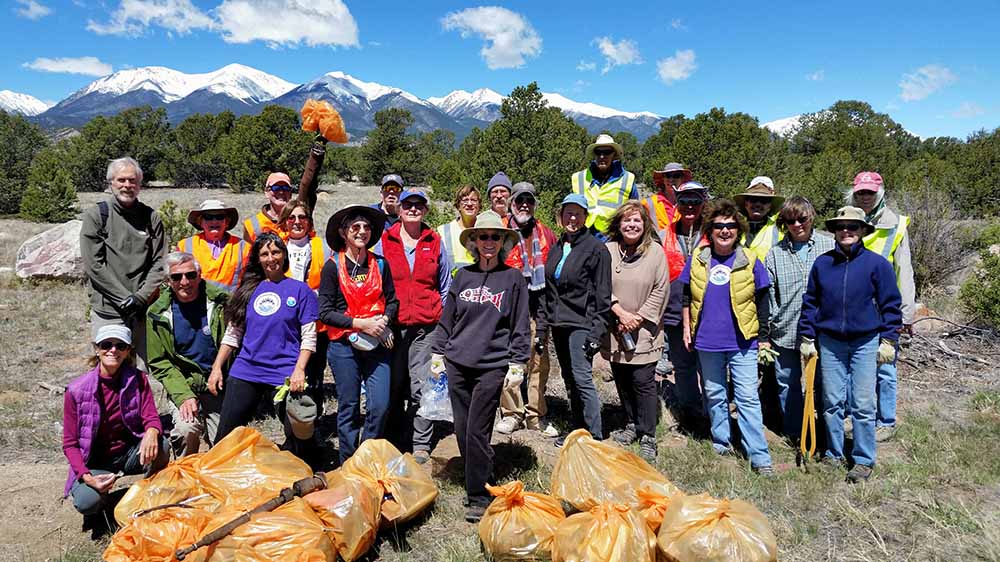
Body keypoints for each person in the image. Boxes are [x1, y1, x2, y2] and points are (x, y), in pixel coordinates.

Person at [430, 210, 530, 522]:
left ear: (503, 241)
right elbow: (448, 318)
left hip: (492, 364)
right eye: (482, 236)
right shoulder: (463, 276)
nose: (488, 241)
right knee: (462, 430)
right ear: (473, 241)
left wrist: (518, 362)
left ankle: (479, 495)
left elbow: (520, 324)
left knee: (477, 429)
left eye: (495, 236)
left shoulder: (512, 278)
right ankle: (479, 471)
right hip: (458, 362)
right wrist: (437, 351)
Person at [798, 206, 902, 483]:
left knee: (863, 404)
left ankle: (863, 459)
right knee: (831, 401)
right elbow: (811, 303)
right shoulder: (822, 264)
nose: (847, 231)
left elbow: (891, 304)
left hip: (865, 341)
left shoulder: (877, 264)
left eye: (853, 226)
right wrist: (807, 337)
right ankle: (833, 453)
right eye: (841, 226)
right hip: (830, 341)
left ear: (863, 231)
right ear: (834, 231)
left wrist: (889, 339)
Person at [680, 199, 775, 475]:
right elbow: (686, 296)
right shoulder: (698, 259)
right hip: (707, 340)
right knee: (715, 393)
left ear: (739, 229)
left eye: (730, 226)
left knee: (746, 397)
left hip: (743, 341)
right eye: (719, 226)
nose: (724, 231)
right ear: (710, 229)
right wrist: (687, 328)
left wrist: (764, 337)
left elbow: (763, 300)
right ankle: (722, 443)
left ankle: (759, 455)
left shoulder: (750, 259)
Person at [208, 232, 320, 465]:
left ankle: (307, 469)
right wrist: (217, 367)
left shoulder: (301, 291)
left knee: (299, 430)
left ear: (284, 255)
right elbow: (233, 334)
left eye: (276, 252)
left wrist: (299, 370)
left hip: (285, 371)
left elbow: (309, 337)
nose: (271, 258)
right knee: (225, 437)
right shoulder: (248, 290)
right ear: (258, 259)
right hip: (247, 369)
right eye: (265, 253)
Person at [318, 205, 399, 464]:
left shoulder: (381, 264)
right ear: (343, 233)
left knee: (379, 405)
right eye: (355, 227)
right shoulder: (332, 267)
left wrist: (384, 321)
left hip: (377, 343)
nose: (362, 231)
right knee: (349, 406)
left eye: (366, 227)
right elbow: (326, 312)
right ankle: (347, 463)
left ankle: (366, 457)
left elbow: (393, 301)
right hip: (343, 347)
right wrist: (361, 323)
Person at [63, 325, 169, 517]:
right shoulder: (76, 390)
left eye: (120, 346)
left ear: (128, 351)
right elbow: (70, 444)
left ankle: (147, 494)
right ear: (97, 349)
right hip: (94, 462)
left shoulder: (137, 379)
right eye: (106, 345)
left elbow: (151, 416)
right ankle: (104, 499)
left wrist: (152, 431)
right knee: (87, 503)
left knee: (162, 445)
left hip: (127, 453)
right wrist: (87, 477)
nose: (113, 350)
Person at [380, 189, 452, 463]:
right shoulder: (384, 240)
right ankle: (394, 436)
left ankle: (421, 443)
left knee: (423, 385)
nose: (412, 209)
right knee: (393, 384)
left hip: (426, 326)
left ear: (425, 210)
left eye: (418, 205)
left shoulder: (434, 241)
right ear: (399, 210)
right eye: (407, 204)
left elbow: (445, 286)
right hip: (393, 326)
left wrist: (445, 323)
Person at [536, 194, 612, 444]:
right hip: (559, 323)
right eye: (568, 213)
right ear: (561, 216)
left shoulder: (596, 249)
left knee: (582, 377)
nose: (572, 218)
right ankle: (577, 429)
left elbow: (603, 294)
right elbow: (549, 290)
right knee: (569, 379)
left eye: (578, 214)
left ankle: (594, 436)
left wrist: (596, 332)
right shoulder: (558, 247)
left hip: (581, 323)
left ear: (585, 217)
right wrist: (542, 328)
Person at [80, 157, 166, 369]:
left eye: (132, 180)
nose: (127, 185)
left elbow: (160, 262)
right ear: (111, 183)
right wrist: (124, 298)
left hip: (142, 311)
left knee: (141, 372)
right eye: (121, 180)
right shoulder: (97, 216)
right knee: (110, 369)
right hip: (109, 310)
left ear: (140, 184)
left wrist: (140, 298)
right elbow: (94, 265)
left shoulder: (151, 217)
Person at [849, 171, 915, 442]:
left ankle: (885, 421)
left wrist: (906, 313)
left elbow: (905, 270)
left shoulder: (896, 225)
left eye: (870, 193)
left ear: (880, 193)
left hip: (884, 308)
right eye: (861, 192)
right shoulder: (848, 219)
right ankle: (856, 416)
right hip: (853, 307)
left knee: (885, 366)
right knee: (854, 367)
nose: (865, 197)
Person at [602, 201, 670, 462]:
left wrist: (637, 318)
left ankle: (648, 434)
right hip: (615, 328)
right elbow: (600, 285)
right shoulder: (607, 251)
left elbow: (661, 290)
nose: (631, 225)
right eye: (626, 221)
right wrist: (619, 312)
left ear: (645, 225)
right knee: (622, 378)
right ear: (619, 224)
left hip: (645, 330)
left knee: (643, 382)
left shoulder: (656, 253)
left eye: (637, 221)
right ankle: (631, 423)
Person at [763, 197, 834, 440]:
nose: (797, 225)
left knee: (825, 384)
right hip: (786, 330)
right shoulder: (774, 255)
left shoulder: (830, 246)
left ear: (811, 217)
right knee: (788, 384)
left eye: (802, 219)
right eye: (790, 220)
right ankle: (795, 433)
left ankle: (825, 432)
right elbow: (770, 296)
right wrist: (769, 329)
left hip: (826, 330)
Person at [146, 252, 229, 457]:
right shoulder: (158, 313)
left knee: (225, 440)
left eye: (190, 275)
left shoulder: (220, 303)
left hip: (218, 384)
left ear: (200, 275)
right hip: (184, 384)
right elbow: (159, 361)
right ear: (168, 281)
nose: (185, 282)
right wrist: (183, 395)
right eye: (177, 277)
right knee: (186, 430)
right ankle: (185, 475)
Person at [496, 182, 558, 436]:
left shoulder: (545, 233)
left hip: (536, 308)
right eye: (519, 200)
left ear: (534, 204)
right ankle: (511, 413)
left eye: (529, 201)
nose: (524, 205)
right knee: (508, 361)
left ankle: (536, 414)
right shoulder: (499, 230)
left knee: (538, 362)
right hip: (506, 309)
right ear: (511, 203)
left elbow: (551, 275)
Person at [660, 181, 710, 427]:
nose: (690, 206)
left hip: (708, 313)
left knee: (710, 367)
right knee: (682, 365)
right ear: (677, 203)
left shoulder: (715, 233)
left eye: (695, 201)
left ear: (703, 203)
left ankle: (713, 415)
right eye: (685, 201)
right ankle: (691, 415)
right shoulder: (662, 235)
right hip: (673, 311)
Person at [280, 200, 332, 410]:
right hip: (285, 325)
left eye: (302, 217)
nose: (297, 222)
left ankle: (312, 420)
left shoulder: (323, 247)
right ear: (284, 222)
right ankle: (289, 419)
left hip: (317, 324)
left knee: (314, 375)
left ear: (309, 222)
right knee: (286, 373)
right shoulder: (276, 247)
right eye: (291, 218)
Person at [571, 134, 639, 236]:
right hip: (584, 235)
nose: (602, 156)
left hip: (614, 236)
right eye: (598, 152)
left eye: (607, 152)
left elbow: (635, 210)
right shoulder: (579, 178)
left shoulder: (627, 179)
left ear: (614, 155)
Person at [177, 200, 249, 292]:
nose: (214, 221)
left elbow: (250, 279)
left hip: (231, 303)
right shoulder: (184, 245)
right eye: (208, 217)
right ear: (200, 222)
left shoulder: (244, 247)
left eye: (219, 217)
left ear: (226, 222)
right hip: (195, 303)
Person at [734, 176, 784, 263]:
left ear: (770, 206)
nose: (758, 204)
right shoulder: (734, 225)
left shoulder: (781, 227)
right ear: (746, 203)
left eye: (764, 201)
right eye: (753, 200)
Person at [437, 184, 482, 272]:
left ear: (479, 206)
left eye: (473, 200)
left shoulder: (487, 231)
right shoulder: (443, 232)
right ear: (458, 206)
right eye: (465, 200)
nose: (469, 204)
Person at [243, 172, 293, 243]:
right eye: (276, 188)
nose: (281, 192)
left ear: (290, 193)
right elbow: (246, 253)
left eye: (286, 188)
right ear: (266, 192)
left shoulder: (300, 220)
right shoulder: (252, 225)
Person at [643, 162, 687, 230]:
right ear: (663, 179)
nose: (671, 179)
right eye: (668, 175)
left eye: (676, 176)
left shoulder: (690, 203)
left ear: (682, 179)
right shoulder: (648, 203)